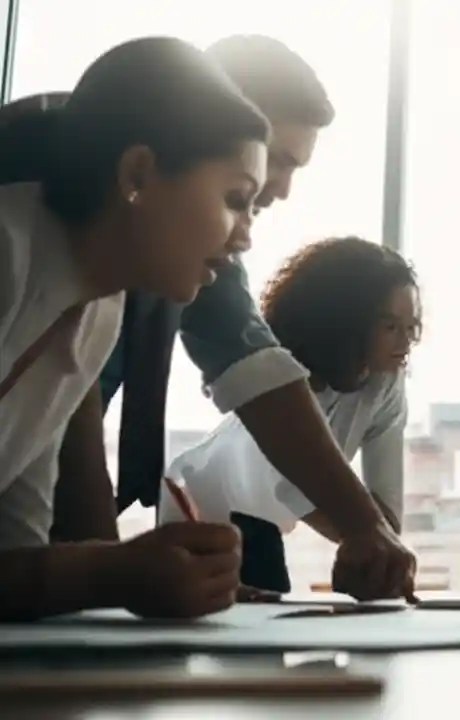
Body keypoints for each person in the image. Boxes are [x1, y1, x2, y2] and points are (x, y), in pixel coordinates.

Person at [45, 35, 418, 600]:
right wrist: (110, 579)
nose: (281, 190)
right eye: (275, 161)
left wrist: (109, 581)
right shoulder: (35, 242)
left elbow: (256, 368)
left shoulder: (176, 251)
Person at [0, 36, 267, 620]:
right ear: (138, 174)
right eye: (235, 198)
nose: (245, 236)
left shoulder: (96, 315)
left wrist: (145, 575)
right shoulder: (7, 251)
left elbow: (16, 552)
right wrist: (109, 573)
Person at [158, 237, 419, 591]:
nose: (405, 342)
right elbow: (293, 489)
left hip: (262, 522)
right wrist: (366, 537)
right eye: (390, 326)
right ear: (348, 323)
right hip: (202, 512)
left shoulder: (386, 387)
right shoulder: (283, 390)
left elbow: (385, 520)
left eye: (411, 327)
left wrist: (377, 546)